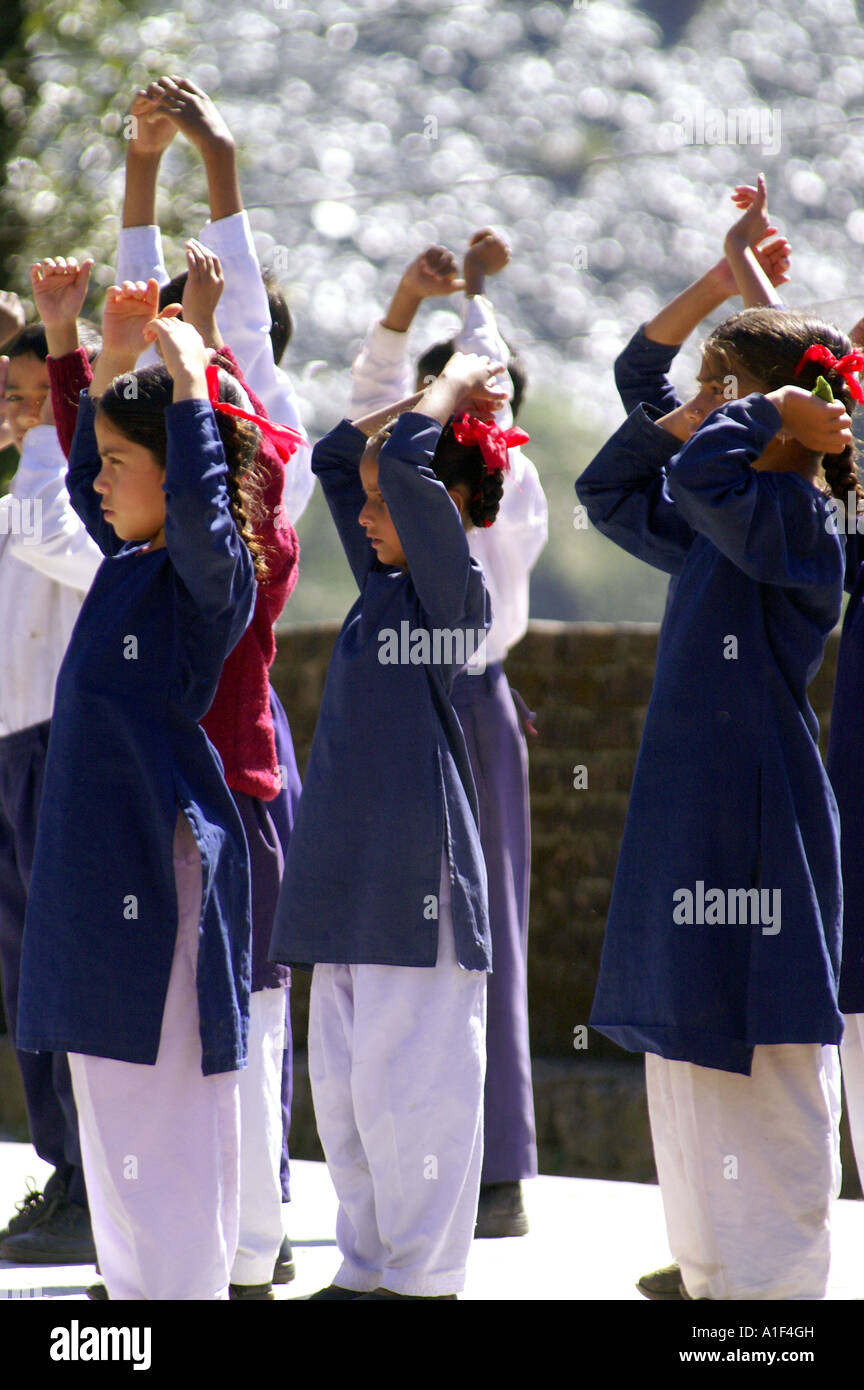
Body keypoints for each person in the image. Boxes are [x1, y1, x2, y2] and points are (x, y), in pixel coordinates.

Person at [575, 184, 852, 1301]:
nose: (695, 406)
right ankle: (710, 1263)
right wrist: (726, 292)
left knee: (766, 1051)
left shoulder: (792, 523)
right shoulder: (713, 530)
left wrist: (755, 410)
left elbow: (691, 466)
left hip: (756, 811)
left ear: (779, 411)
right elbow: (613, 478)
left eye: (718, 392)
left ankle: (773, 1291)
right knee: (692, 1038)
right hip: (697, 807)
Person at [34, 254, 302, 1300]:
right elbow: (97, 474)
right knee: (114, 1115)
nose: (95, 479)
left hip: (161, 873)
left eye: (116, 462)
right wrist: (70, 339)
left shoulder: (206, 573)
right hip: (103, 883)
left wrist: (191, 386)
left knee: (168, 1115)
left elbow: (194, 503)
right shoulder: (134, 562)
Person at [116, 74, 315, 1284]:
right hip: (164, 777)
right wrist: (146, 172)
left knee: (249, 1016)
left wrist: (219, 167)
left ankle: (249, 1241)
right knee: (187, 1022)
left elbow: (190, 374)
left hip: (234, 777)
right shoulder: (156, 480)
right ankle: (201, 1241)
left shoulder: (258, 476)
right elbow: (133, 346)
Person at [270, 352, 511, 1299]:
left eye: (389, 504)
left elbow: (401, 477)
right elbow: (338, 459)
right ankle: (368, 1270)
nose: (366, 516)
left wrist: (449, 392)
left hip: (418, 886)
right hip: (347, 882)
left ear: (441, 508)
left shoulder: (454, 602)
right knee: (351, 1093)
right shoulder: (382, 595)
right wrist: (418, 402)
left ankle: (421, 1280)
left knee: (418, 1095)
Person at [350, 230, 547, 1237]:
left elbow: (492, 393)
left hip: (472, 708)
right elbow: (361, 430)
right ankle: (410, 1169)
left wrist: (476, 306)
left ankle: (499, 1167)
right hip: (410, 710)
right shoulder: (395, 503)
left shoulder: (501, 509)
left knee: (485, 935)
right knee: (400, 955)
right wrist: (404, 307)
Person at [0, 315, 103, 1266]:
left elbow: (41, 536)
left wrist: (43, 430)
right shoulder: (28, 485)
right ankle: (66, 1171)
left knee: (61, 966)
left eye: (27, 395)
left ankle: (91, 1181)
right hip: (11, 751)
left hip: (56, 747)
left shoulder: (79, 498)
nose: (12, 413)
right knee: (25, 974)